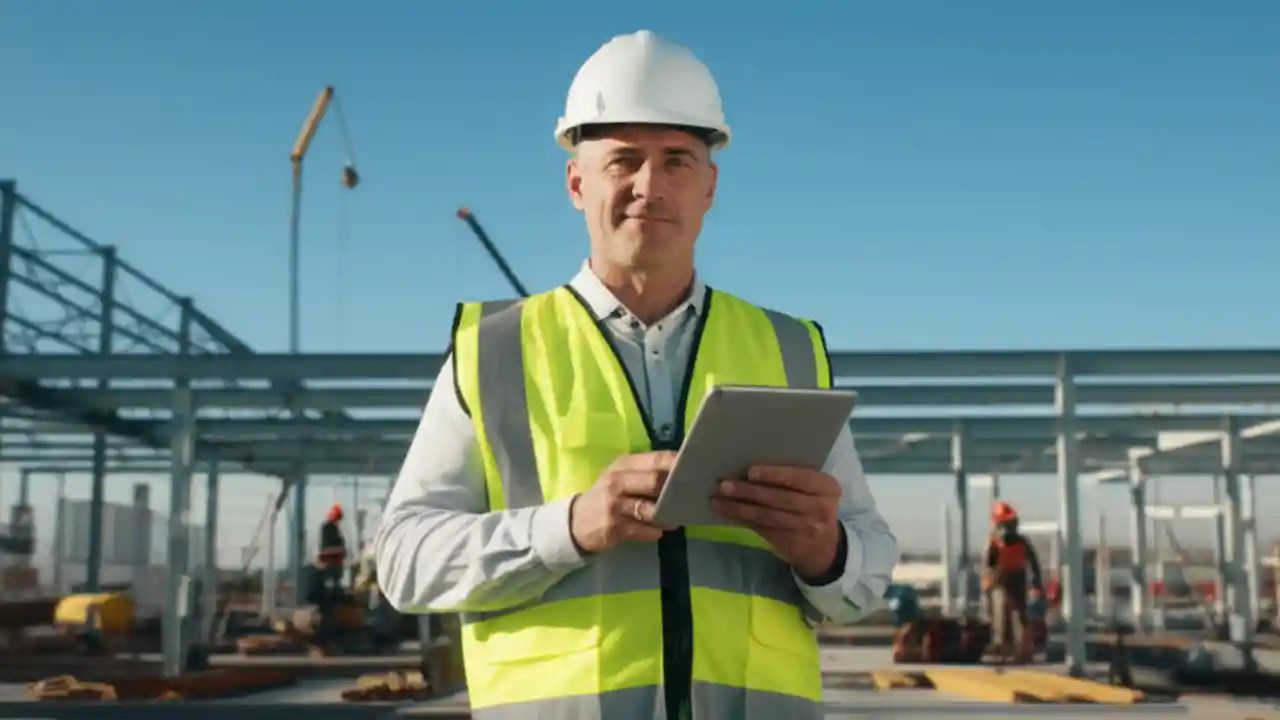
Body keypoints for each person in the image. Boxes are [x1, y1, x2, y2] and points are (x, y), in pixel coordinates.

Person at [375, 29, 899, 720]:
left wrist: (825, 553)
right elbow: (404, 561)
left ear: (710, 186)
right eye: (624, 160)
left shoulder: (788, 349)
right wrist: (568, 527)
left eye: (677, 161)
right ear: (576, 183)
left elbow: (867, 575)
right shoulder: (494, 351)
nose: (650, 186)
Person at [983, 501, 1044, 663]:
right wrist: (990, 583)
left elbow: (1033, 562)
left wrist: (1037, 582)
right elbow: (989, 565)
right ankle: (1002, 650)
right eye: (1005, 524)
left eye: (1011, 524)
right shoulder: (994, 544)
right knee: (1000, 616)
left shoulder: (1021, 542)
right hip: (1000, 581)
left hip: (1017, 578)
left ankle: (1023, 650)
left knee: (1020, 615)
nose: (1009, 528)